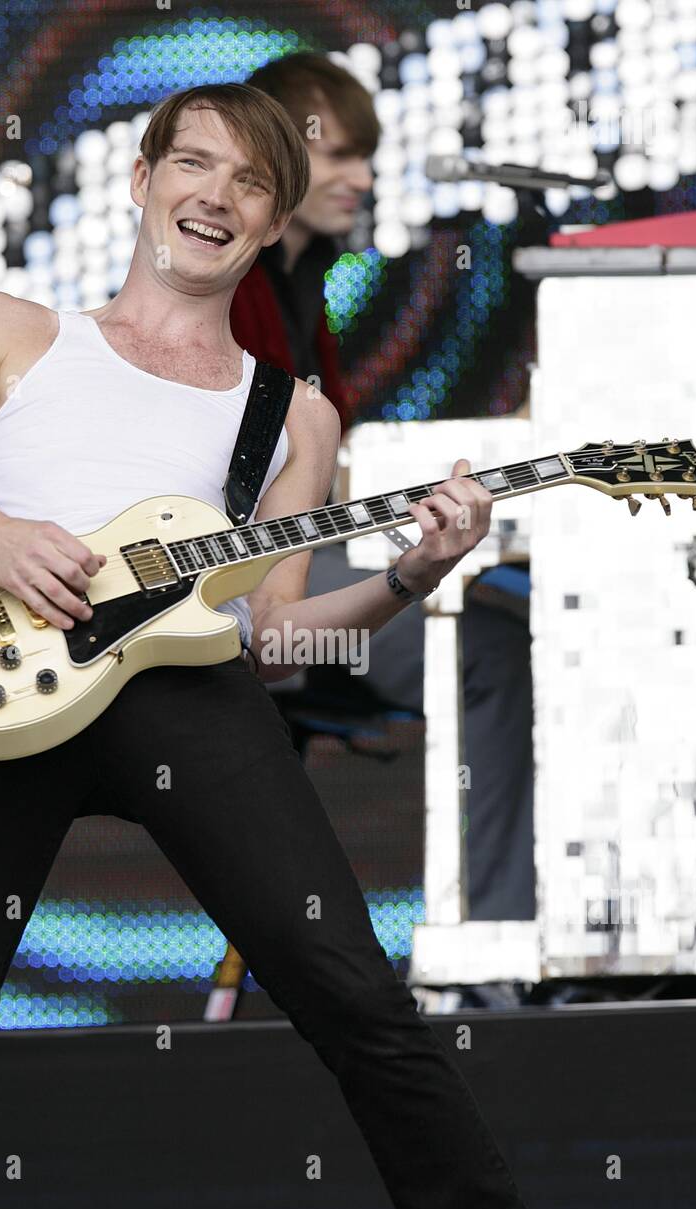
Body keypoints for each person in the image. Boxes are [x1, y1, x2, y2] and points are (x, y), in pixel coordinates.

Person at [0, 81, 558, 1209]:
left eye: (249, 182)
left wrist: (414, 577)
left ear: (271, 225)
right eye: (192, 165)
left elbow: (276, 639)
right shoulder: (9, 328)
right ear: (142, 180)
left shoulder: (294, 414)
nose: (214, 195)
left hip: (184, 695)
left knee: (361, 1002)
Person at [232, 55, 537, 921]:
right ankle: (492, 941)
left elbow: (318, 464)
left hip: (299, 557)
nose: (363, 179)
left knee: (508, 620)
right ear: (275, 161)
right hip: (237, 585)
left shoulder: (302, 280)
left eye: (365, 158)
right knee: (486, 647)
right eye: (339, 158)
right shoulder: (229, 284)